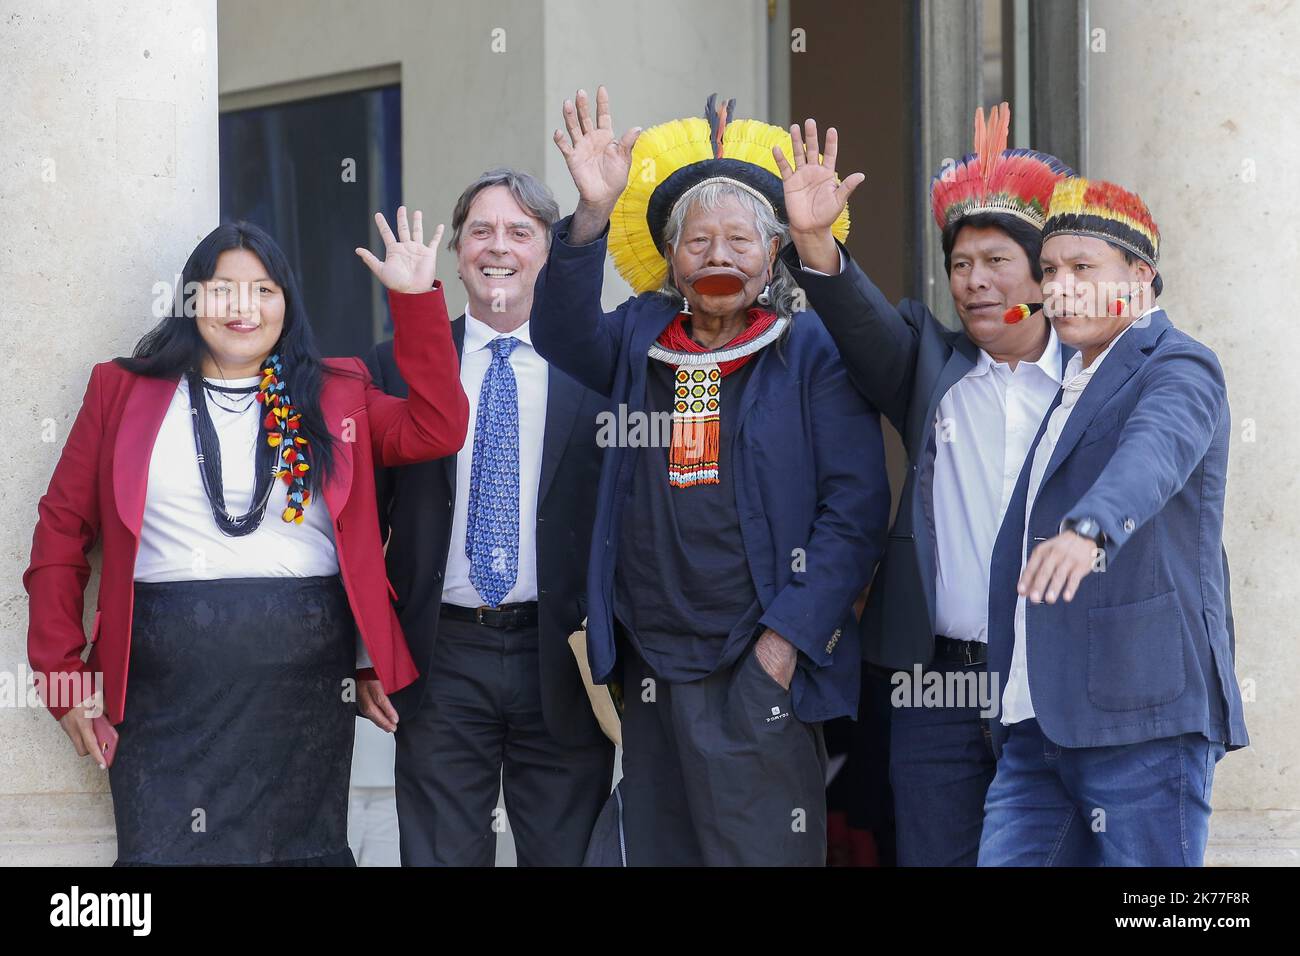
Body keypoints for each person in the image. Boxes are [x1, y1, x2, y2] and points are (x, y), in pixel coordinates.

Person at [24, 208, 469, 866]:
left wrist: (415, 302)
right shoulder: (122, 391)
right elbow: (61, 535)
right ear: (190, 299)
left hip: (303, 694)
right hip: (161, 698)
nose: (243, 307)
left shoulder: (336, 393)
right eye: (224, 288)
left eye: (264, 290)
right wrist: (61, 676)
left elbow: (438, 428)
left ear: (287, 306)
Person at [532, 86, 891, 866]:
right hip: (651, 661)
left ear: (772, 256)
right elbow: (559, 333)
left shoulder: (812, 351)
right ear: (669, 256)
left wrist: (784, 645)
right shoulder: (636, 337)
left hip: (757, 663)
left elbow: (857, 510)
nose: (718, 255)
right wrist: (590, 212)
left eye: (739, 239)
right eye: (697, 241)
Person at [778, 103, 1074, 865]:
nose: (974, 283)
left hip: (1053, 684)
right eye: (961, 265)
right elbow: (859, 319)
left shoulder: (1092, 382)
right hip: (935, 687)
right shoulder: (928, 368)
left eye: (997, 263)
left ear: (1043, 272)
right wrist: (814, 237)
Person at [980, 177, 1249, 866]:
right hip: (1034, 722)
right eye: (1048, 271)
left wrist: (1088, 528)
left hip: (1141, 720)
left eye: (1081, 268)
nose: (1060, 288)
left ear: (1140, 276)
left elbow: (1152, 452)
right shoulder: (1071, 380)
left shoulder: (1179, 363)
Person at [365, 169, 614, 866]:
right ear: (458, 250)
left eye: (519, 232)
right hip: (442, 656)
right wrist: (366, 653)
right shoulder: (398, 365)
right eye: (480, 230)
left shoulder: (593, 370)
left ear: (545, 250)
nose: (497, 247)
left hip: (562, 655)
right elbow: (363, 520)